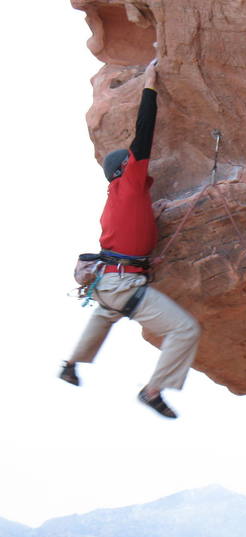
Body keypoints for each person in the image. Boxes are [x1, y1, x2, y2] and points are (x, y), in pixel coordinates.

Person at [59, 59, 201, 419]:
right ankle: (153, 390)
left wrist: (140, 259)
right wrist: (150, 86)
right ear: (125, 169)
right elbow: (144, 132)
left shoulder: (113, 201)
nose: (142, 164)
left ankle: (72, 363)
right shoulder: (129, 185)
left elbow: (124, 240)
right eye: (133, 162)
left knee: (105, 315)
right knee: (185, 330)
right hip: (122, 282)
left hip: (113, 281)